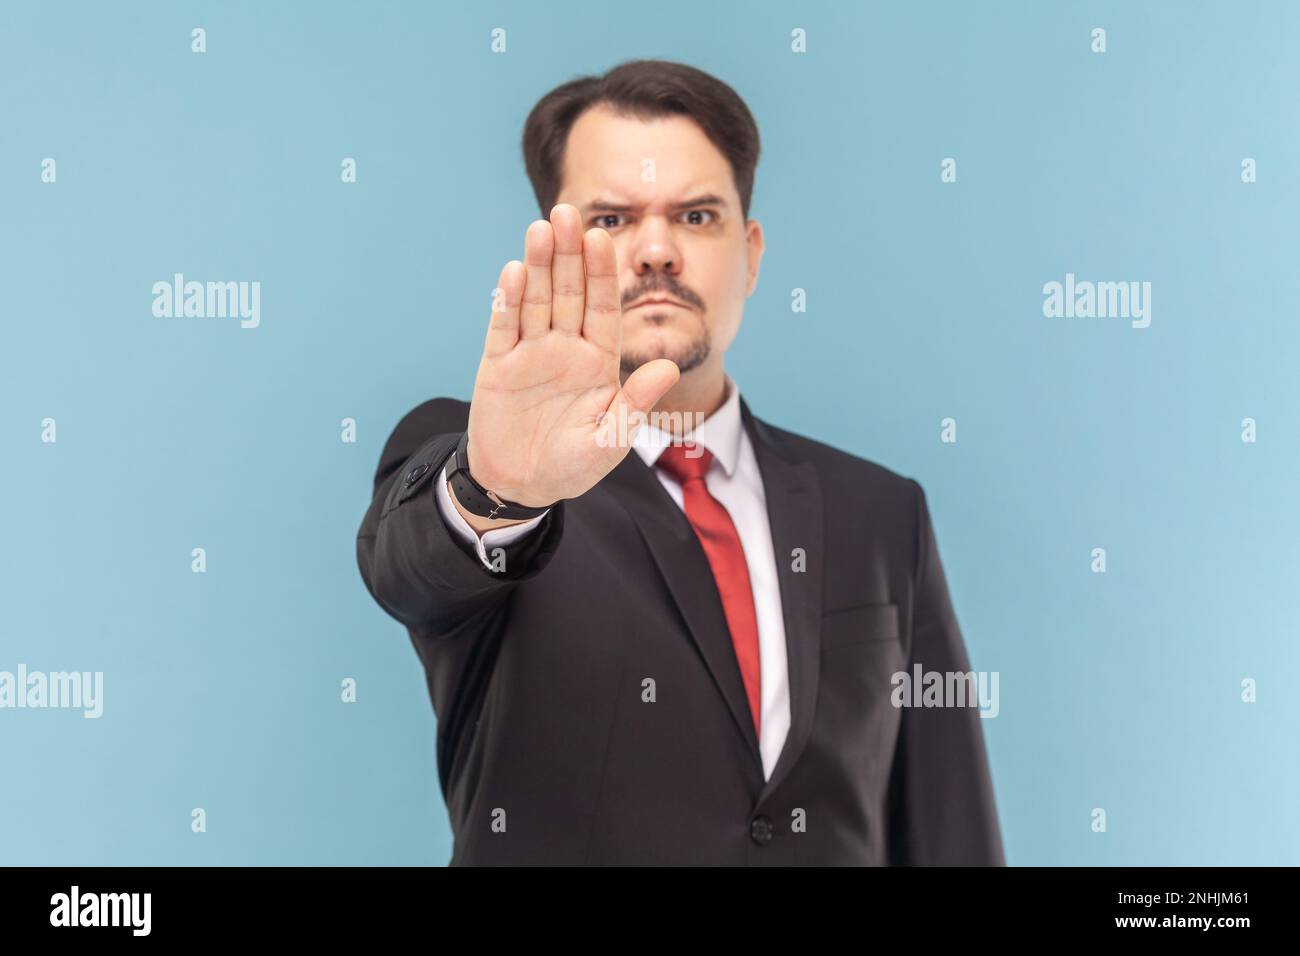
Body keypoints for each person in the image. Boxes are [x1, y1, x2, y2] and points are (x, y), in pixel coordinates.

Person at [357, 59, 1004, 865]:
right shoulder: (489, 470)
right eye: (612, 220)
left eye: (696, 216)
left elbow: (950, 829)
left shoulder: (881, 513)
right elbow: (410, 570)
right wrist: (499, 490)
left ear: (751, 253)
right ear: (557, 249)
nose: (657, 251)